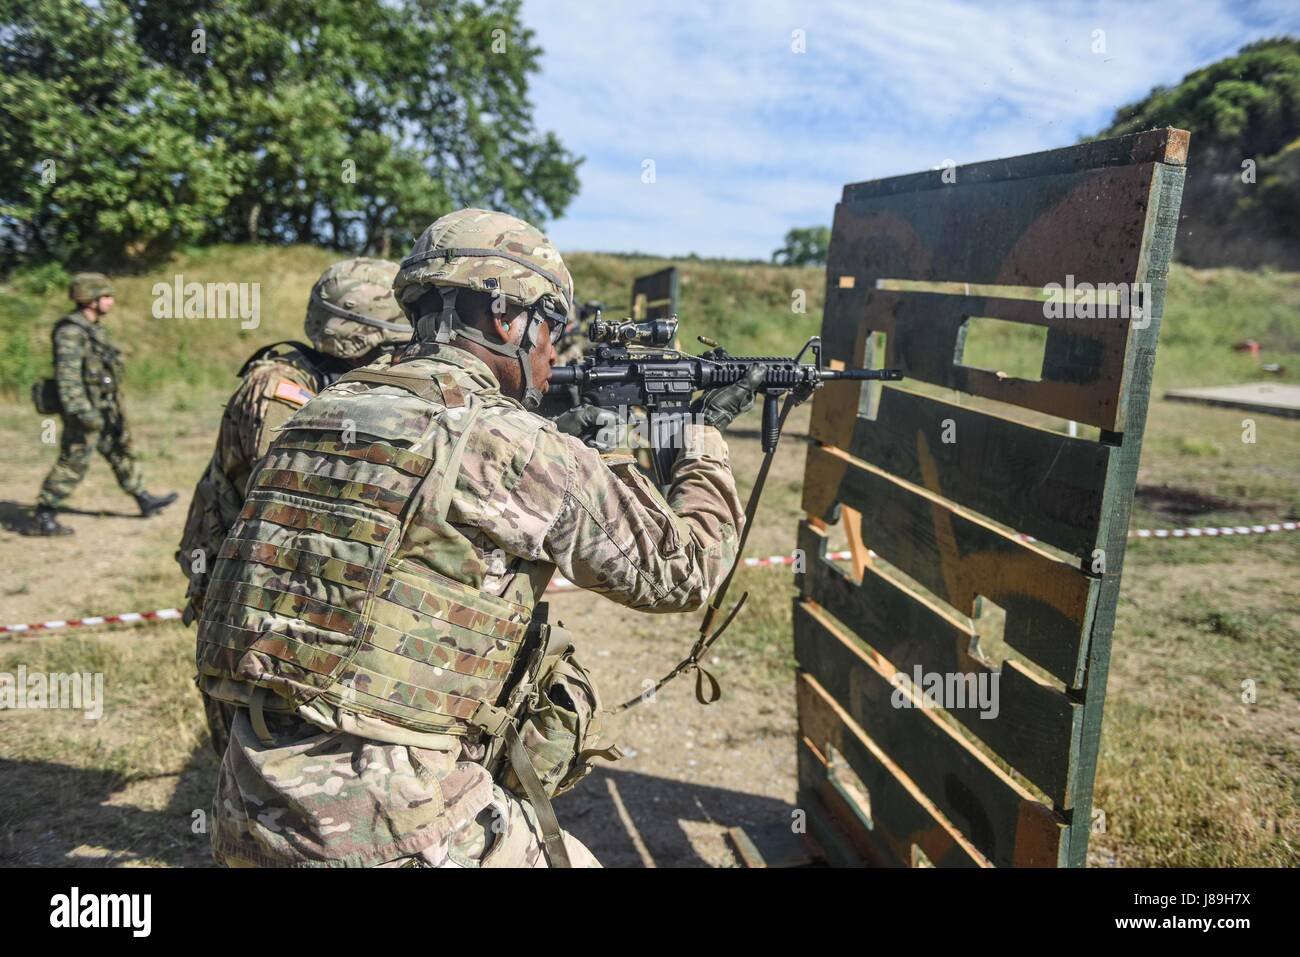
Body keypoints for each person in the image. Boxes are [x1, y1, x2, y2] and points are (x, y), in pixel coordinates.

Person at [194, 208, 763, 868]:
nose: (555, 350)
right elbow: (685, 570)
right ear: (504, 316)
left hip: (249, 800)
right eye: (553, 326)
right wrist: (698, 446)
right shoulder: (505, 440)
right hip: (384, 825)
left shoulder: (323, 409)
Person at [176, 257, 412, 757]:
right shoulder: (279, 388)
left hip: (292, 593)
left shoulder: (348, 385)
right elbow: (298, 497)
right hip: (241, 598)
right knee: (245, 749)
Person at [31, 272, 175, 536]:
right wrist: (82, 412)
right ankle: (45, 513)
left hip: (103, 407)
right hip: (85, 411)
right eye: (105, 296)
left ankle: (143, 497)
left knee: (119, 452)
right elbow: (68, 378)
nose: (111, 301)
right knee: (74, 460)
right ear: (90, 299)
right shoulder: (71, 332)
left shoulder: (93, 329)